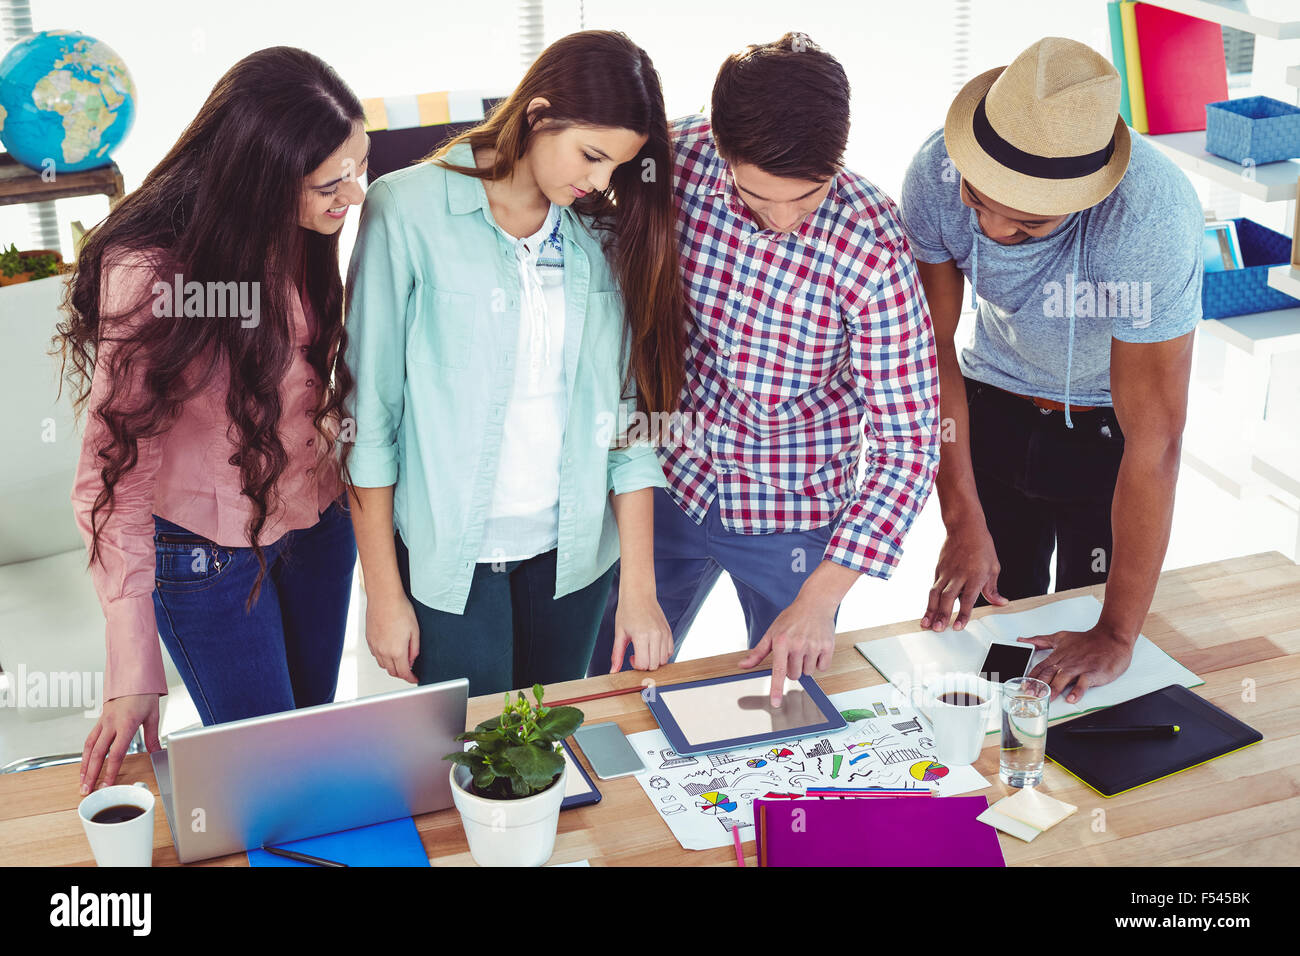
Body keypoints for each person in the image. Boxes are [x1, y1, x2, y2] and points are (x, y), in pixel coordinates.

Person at [587, 33, 941, 705]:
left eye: (806, 200)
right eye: (756, 198)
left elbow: (909, 445)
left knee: (790, 709)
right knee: (609, 685)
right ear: (720, 149)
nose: (782, 220)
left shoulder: (872, 244)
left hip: (796, 517)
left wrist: (820, 595)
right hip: (668, 483)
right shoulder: (675, 161)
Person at [61, 47, 366, 792]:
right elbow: (114, 473)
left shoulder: (302, 231)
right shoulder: (153, 275)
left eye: (360, 166)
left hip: (318, 527)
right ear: (260, 180)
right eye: (332, 183)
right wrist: (131, 657)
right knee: (271, 779)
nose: (354, 196)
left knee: (311, 749)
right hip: (210, 559)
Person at [346, 31, 685, 698]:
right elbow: (368, 417)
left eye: (616, 169)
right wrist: (383, 594)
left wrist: (638, 591)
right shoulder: (405, 209)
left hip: (574, 564)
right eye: (591, 156)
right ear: (537, 113)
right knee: (476, 767)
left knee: (550, 757)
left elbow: (628, 427)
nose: (597, 182)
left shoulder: (601, 236)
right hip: (451, 565)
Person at [898, 37, 1202, 701]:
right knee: (998, 658)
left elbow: (1155, 443)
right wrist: (960, 518)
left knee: (1087, 675)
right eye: (980, 202)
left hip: (1107, 435)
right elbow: (933, 352)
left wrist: (1118, 634)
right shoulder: (933, 173)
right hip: (992, 411)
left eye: (1029, 225)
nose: (997, 232)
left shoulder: (1149, 219)